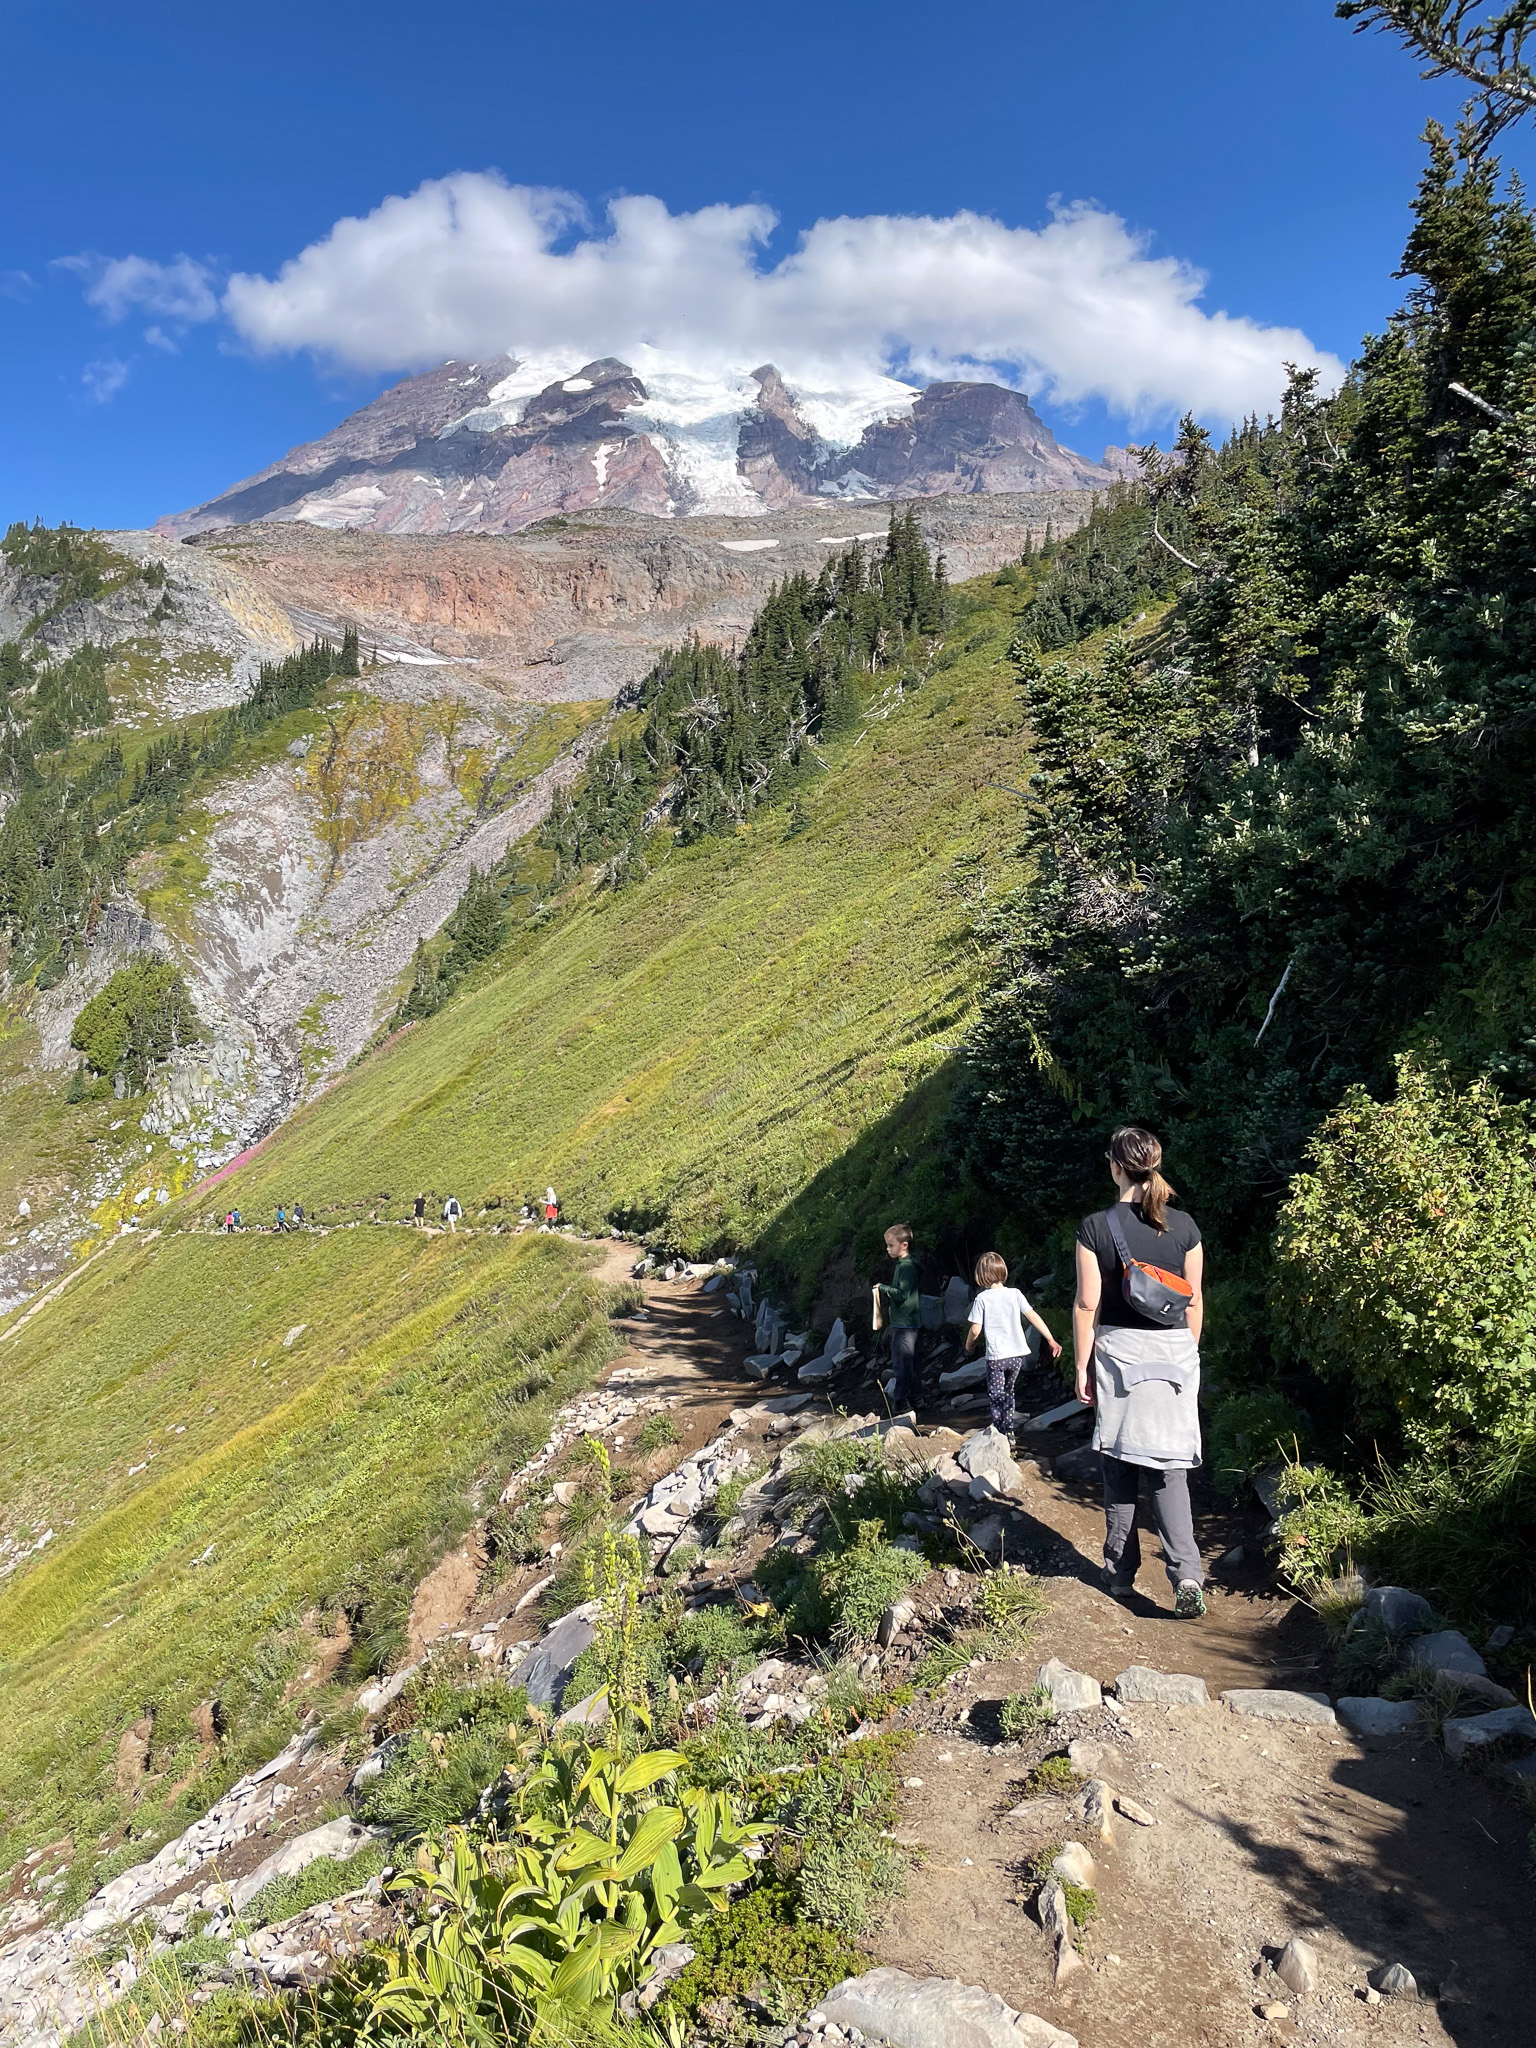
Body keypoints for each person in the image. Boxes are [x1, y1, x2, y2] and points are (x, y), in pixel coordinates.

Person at [1074, 1126, 1206, 1618]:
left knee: (1119, 1462)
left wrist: (1082, 1364)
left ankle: (1121, 1573)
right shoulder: (1186, 1227)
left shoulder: (1095, 1227)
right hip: (1175, 1356)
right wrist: (1185, 1358)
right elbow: (1194, 1303)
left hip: (1119, 1355)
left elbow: (1088, 1305)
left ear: (1114, 1167)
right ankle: (1187, 1576)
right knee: (1171, 1468)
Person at [965, 1251, 1061, 1435]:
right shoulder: (1015, 1294)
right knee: (1008, 1392)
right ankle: (1009, 1432)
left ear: (980, 1275)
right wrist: (1050, 1339)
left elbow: (975, 1329)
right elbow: (1033, 1316)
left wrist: (969, 1345)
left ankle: (999, 1432)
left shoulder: (982, 1298)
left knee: (995, 1395)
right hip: (1016, 1356)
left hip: (996, 1357)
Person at [874, 1223, 924, 1411]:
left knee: (902, 1363)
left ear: (904, 1245)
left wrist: (882, 1288)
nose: (888, 1249)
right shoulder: (907, 1264)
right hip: (911, 1320)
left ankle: (902, 1402)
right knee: (913, 1362)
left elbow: (902, 1293)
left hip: (904, 1322)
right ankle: (916, 1398)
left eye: (891, 1245)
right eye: (887, 1245)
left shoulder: (906, 1266)